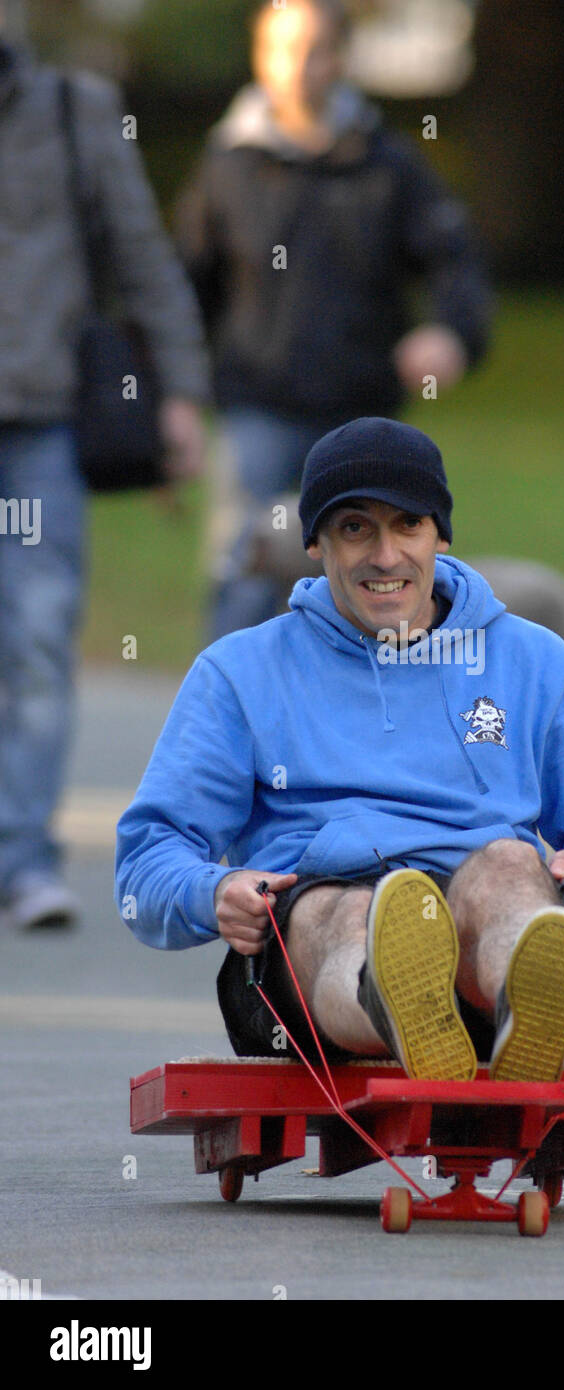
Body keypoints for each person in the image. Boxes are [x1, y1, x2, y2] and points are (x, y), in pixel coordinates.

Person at [115, 418, 564, 1081]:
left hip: (474, 967)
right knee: (349, 911)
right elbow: (148, 861)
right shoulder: (240, 672)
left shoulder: (536, 661)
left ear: (440, 535)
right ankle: (394, 1003)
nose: (386, 555)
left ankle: (528, 1003)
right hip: (304, 973)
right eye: (355, 529)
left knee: (511, 862)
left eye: (408, 525)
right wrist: (213, 891)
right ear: (314, 543)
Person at [175, 0, 491, 643]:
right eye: (278, 49)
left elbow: (455, 260)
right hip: (257, 408)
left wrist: (452, 332)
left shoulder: (387, 163)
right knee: (244, 574)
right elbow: (184, 289)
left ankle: (361, 705)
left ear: (340, 58)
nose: (294, 67)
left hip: (359, 412)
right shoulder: (229, 162)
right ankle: (232, 706)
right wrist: (169, 398)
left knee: (373, 578)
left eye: (312, 50)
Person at [0, 9, 210, 932]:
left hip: (43, 424)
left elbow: (142, 256)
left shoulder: (73, 110)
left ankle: (23, 860)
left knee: (40, 636)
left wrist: (179, 393)